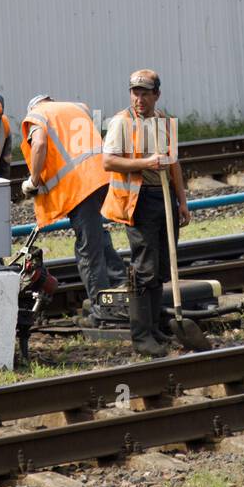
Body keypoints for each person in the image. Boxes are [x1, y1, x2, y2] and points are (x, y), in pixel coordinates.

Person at [101, 69, 191, 357]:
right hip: (137, 201)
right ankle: (142, 337)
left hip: (163, 200)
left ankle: (155, 328)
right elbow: (108, 161)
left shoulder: (164, 121)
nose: (139, 98)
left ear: (156, 95)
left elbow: (174, 163)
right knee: (145, 268)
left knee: (163, 266)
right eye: (135, 92)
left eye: (145, 93)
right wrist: (145, 163)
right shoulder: (121, 122)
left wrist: (183, 201)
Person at [20, 95, 126, 324]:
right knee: (98, 237)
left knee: (88, 249)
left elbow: (38, 144)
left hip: (80, 186)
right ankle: (122, 286)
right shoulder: (77, 107)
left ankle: (102, 312)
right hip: (103, 177)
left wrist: (34, 180)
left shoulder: (37, 115)